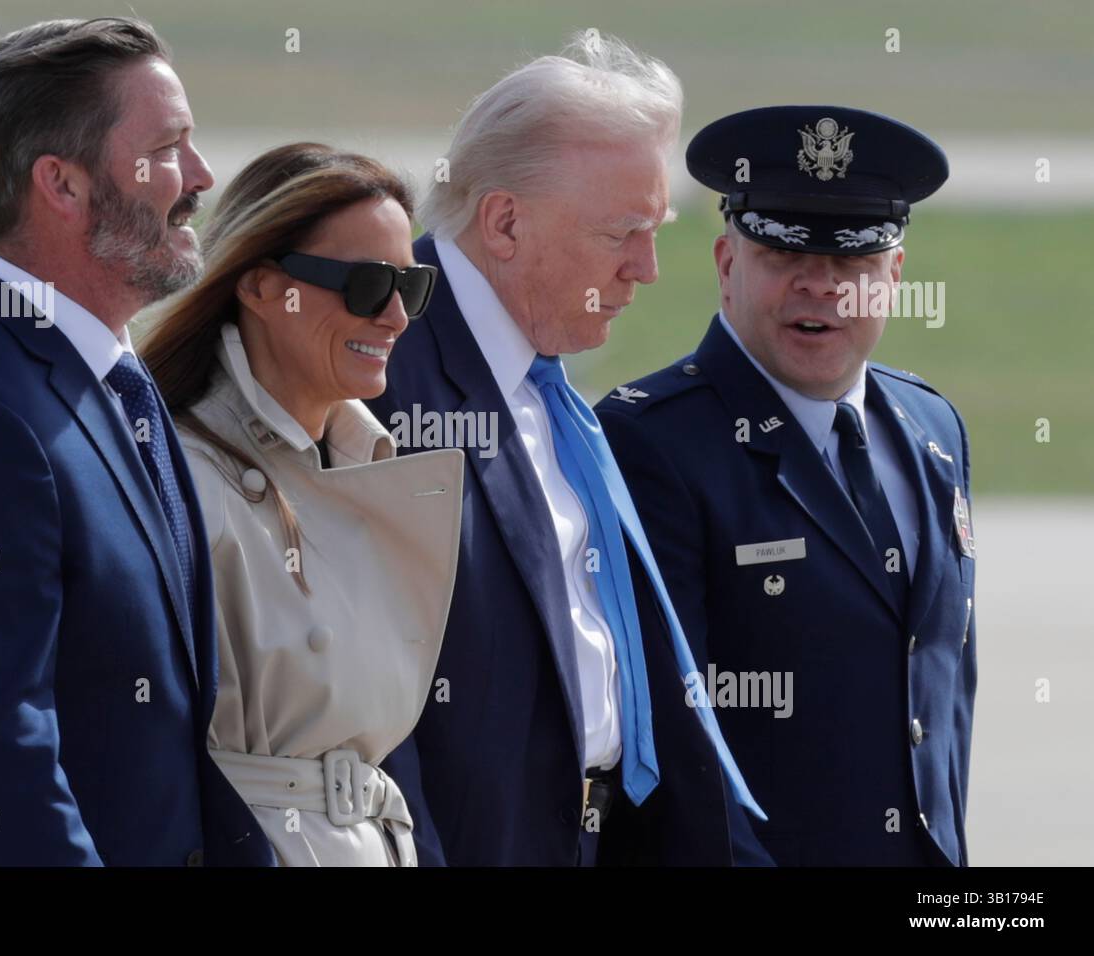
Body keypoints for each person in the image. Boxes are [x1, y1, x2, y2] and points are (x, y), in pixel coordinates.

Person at [0, 17, 271, 866]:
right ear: (62, 186)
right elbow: (4, 760)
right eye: (169, 147)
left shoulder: (113, 382)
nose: (201, 176)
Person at [365, 32, 768, 866]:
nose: (648, 269)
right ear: (505, 222)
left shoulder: (544, 386)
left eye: (653, 231)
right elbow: (362, 713)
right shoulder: (382, 381)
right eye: (623, 233)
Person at [597, 105, 975, 865]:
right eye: (785, 257)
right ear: (727, 262)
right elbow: (677, 745)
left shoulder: (932, 427)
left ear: (893, 275)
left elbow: (938, 706)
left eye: (855, 265)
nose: (822, 288)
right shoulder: (649, 443)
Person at [142, 143, 464, 866]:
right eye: (366, 285)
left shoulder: (372, 474)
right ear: (259, 287)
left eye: (410, 288)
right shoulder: (179, 481)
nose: (395, 317)